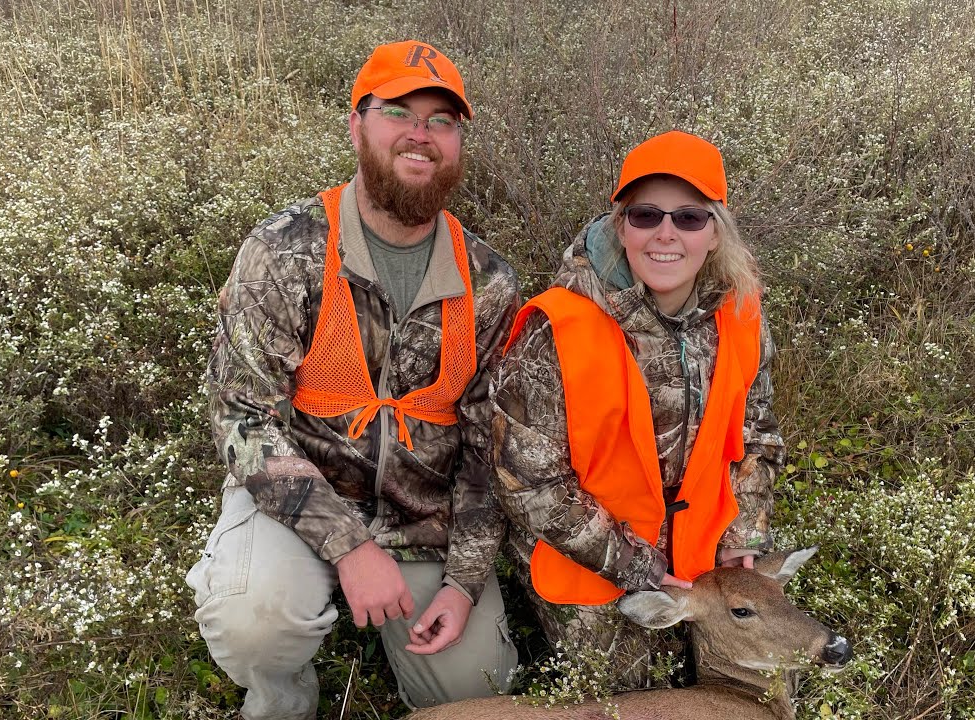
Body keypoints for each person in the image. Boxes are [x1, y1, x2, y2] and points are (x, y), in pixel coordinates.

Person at [186, 40, 521, 719]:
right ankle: (284, 700)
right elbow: (240, 418)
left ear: (459, 142)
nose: (420, 135)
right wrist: (350, 548)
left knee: (478, 688)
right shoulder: (285, 250)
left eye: (442, 121)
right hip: (298, 499)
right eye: (398, 111)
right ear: (356, 124)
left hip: (421, 516)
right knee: (257, 621)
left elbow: (490, 453)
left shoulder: (490, 283)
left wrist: (462, 582)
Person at [491, 130, 785, 690]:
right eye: (647, 215)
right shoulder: (558, 327)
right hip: (590, 565)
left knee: (762, 683)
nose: (666, 235)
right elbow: (528, 483)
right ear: (621, 225)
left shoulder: (741, 315)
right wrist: (637, 568)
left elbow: (758, 433)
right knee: (632, 694)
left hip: (702, 557)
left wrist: (742, 534)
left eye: (690, 218)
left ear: (715, 231)